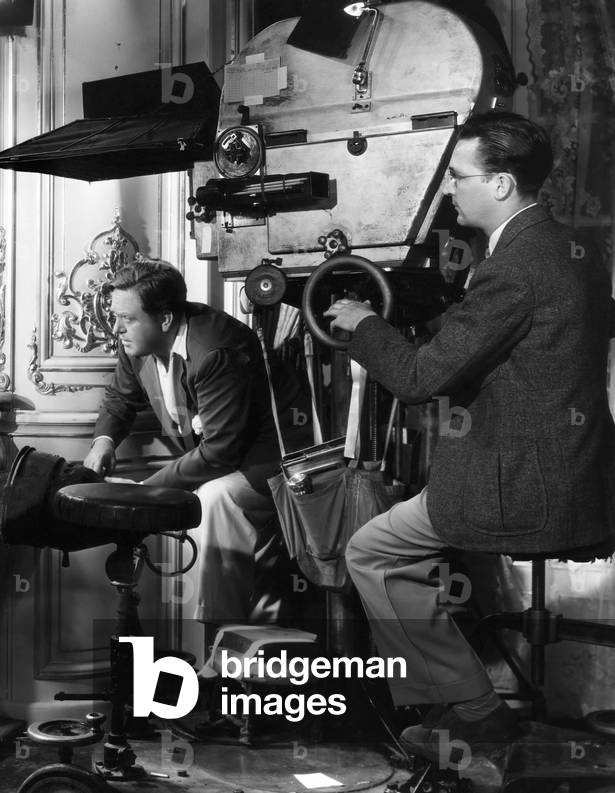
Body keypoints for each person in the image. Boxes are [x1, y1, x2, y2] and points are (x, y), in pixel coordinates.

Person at [325, 112, 615, 760]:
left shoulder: (513, 266)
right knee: (406, 548)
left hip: (521, 481)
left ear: (503, 184)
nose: (450, 189)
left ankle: (477, 712)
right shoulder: (566, 247)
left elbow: (418, 376)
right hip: (571, 469)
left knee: (371, 550)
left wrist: (363, 320)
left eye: (459, 177)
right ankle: (457, 706)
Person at [84, 260, 282, 625]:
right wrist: (103, 441)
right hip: (215, 462)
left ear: (164, 319)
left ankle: (222, 643)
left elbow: (221, 451)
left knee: (215, 499)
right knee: (209, 495)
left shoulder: (215, 349)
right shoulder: (137, 343)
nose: (116, 329)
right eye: (116, 317)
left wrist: (143, 494)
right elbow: (120, 397)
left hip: (262, 467)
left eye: (126, 318)